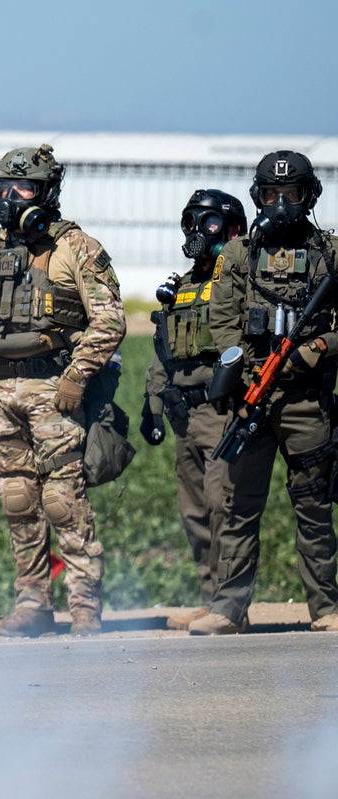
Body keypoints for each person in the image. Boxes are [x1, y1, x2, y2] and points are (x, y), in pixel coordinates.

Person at [0, 144, 125, 638]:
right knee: (18, 499)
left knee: (63, 499)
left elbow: (109, 319)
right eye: (3, 186)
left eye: (22, 187)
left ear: (46, 192)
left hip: (53, 388)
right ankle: (32, 602)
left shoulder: (75, 247)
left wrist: (78, 375)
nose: (10, 196)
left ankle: (84, 608)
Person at [199, 150, 338, 635]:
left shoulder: (330, 253)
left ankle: (326, 609)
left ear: (309, 196)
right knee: (238, 507)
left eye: (292, 194)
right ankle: (228, 609)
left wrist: (317, 347)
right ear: (259, 197)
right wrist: (244, 364)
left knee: (314, 507)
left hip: (305, 401)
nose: (282, 205)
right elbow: (222, 320)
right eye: (272, 195)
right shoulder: (239, 255)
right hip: (253, 397)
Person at [139, 189, 247, 630]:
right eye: (190, 222)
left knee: (226, 510)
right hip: (184, 414)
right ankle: (210, 599)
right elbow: (164, 351)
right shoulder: (182, 287)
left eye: (209, 222)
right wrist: (152, 405)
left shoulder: (237, 284)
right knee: (195, 512)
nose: (197, 232)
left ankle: (231, 608)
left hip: (222, 411)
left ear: (233, 229)